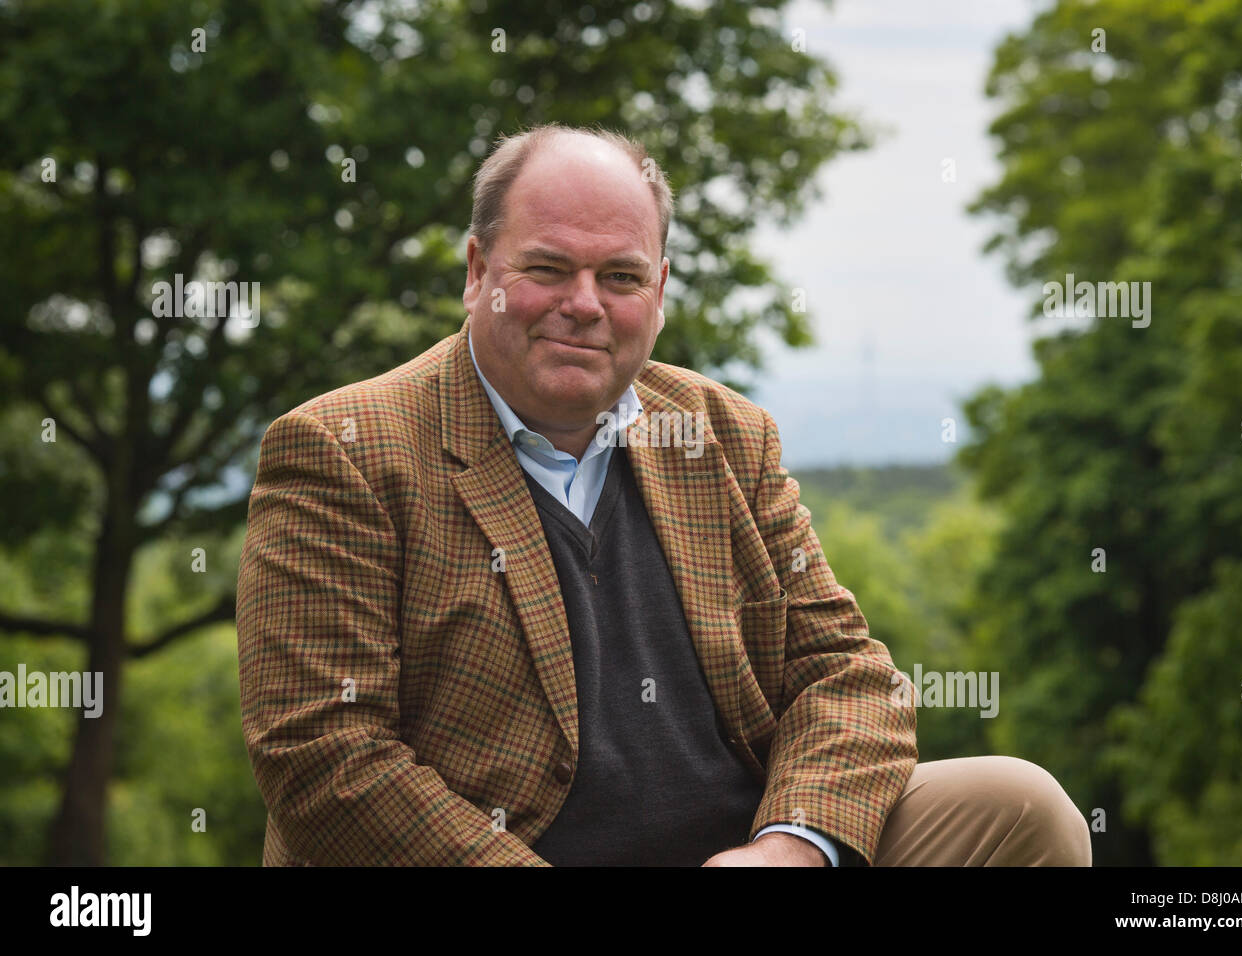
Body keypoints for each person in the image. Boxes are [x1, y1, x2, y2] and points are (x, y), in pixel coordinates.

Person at [236, 123, 1091, 867]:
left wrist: (790, 845)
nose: (584, 305)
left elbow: (844, 673)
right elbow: (322, 755)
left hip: (737, 846)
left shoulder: (724, 432)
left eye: (620, 276)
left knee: (1020, 811)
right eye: (547, 268)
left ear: (660, 289)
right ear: (476, 270)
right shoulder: (342, 450)